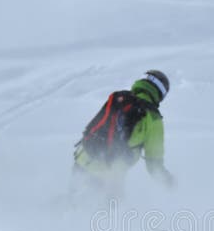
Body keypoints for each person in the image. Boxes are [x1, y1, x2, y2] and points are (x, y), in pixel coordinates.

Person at [72, 70, 175, 198]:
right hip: (109, 173)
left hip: (83, 157)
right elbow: (154, 165)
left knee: (73, 200)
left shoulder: (118, 97)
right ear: (161, 93)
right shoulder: (153, 119)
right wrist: (171, 184)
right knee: (108, 213)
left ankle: (47, 212)